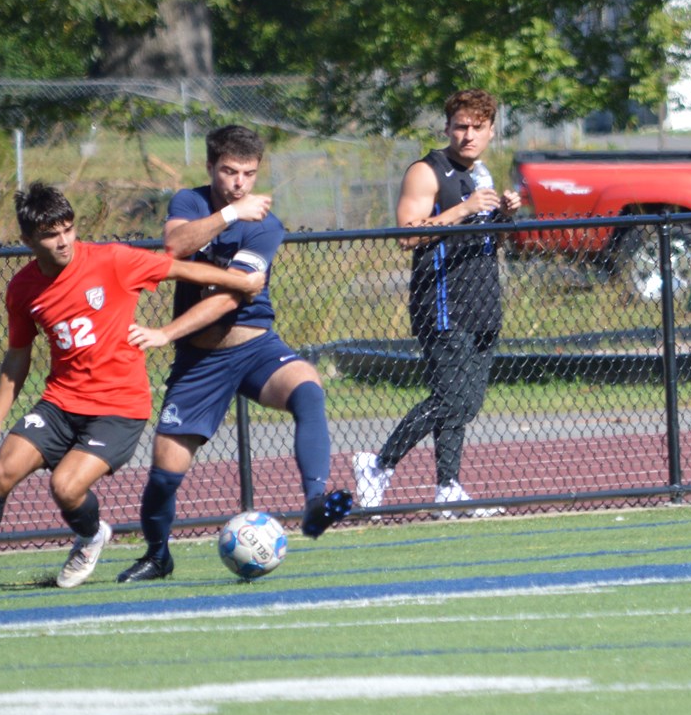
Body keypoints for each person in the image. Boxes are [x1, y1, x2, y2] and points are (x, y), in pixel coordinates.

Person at [0, 181, 272, 595]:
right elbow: (17, 356)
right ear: (27, 240)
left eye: (68, 229)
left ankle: (91, 536)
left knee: (66, 487)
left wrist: (242, 283)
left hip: (118, 408)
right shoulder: (22, 289)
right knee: (0, 473)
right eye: (50, 235)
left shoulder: (112, 260)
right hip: (60, 402)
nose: (63, 241)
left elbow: (176, 267)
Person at [116, 125, 352, 582]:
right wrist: (228, 214)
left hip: (255, 348)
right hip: (200, 362)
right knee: (165, 472)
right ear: (210, 168)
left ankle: (316, 502)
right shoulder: (190, 202)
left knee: (308, 389)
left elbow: (233, 297)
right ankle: (157, 555)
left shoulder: (265, 223)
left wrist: (165, 332)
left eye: (248, 173)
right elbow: (173, 247)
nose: (240, 183)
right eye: (229, 171)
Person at [351, 89, 520, 519]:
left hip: (483, 302)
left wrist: (505, 216)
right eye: (460, 127)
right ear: (447, 128)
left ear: (491, 131)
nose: (468, 136)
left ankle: (448, 488)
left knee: (468, 403)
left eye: (477, 128)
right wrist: (461, 210)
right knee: (451, 398)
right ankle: (379, 464)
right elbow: (407, 234)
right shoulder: (428, 171)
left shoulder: (481, 174)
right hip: (442, 302)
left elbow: (491, 240)